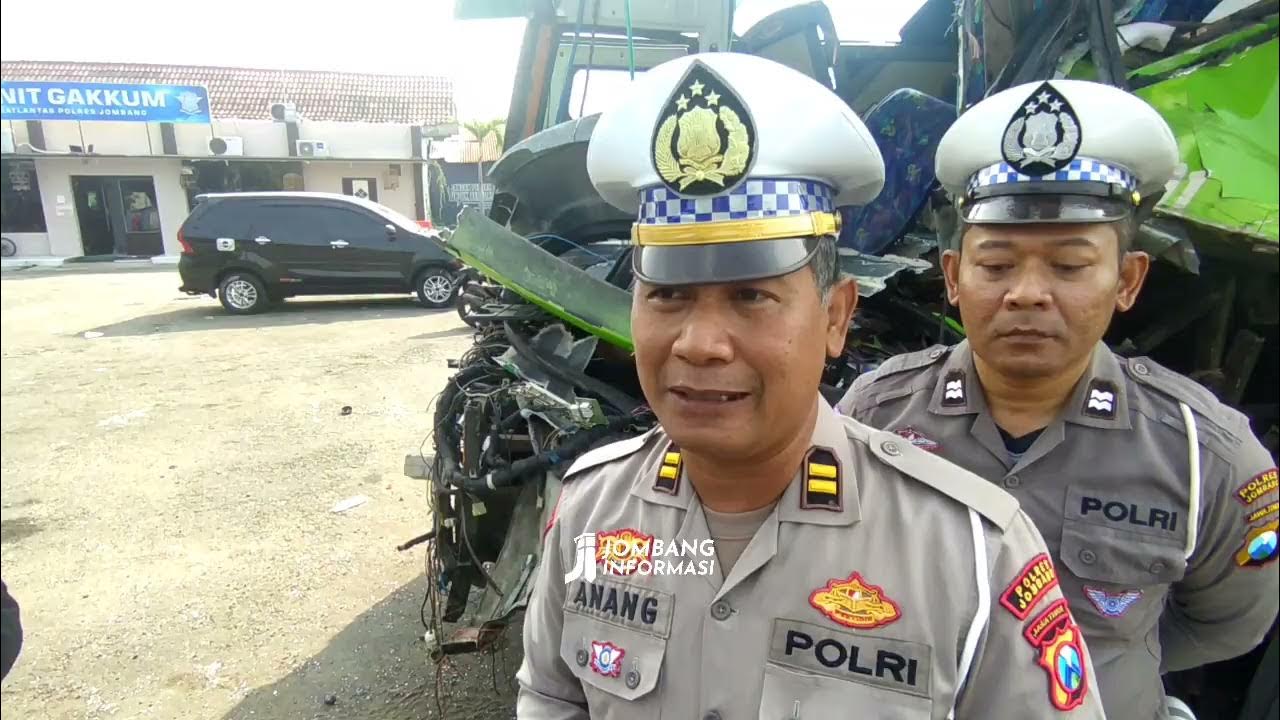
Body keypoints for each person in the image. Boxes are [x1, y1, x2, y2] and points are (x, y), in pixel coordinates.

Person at [515, 52, 1106, 719]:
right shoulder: (590, 509)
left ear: (835, 317)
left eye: (750, 296)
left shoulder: (969, 549)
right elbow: (552, 695)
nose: (699, 343)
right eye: (669, 295)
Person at [837, 78, 1280, 719]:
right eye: (996, 265)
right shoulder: (875, 415)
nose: (1027, 293)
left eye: (1070, 266)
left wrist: (1108, 663)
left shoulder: (1205, 454)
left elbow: (1226, 625)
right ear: (955, 278)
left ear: (1126, 280)